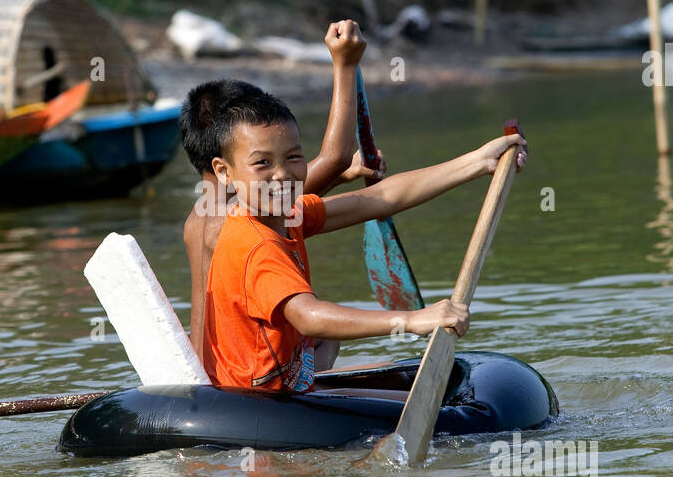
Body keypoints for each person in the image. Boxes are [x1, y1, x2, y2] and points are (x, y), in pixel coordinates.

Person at [201, 90, 526, 392]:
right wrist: (411, 320)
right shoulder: (257, 245)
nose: (283, 174)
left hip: (282, 377)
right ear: (224, 171)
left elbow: (379, 198)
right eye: (262, 163)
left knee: (332, 344)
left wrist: (478, 162)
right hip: (256, 403)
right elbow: (308, 315)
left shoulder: (289, 215)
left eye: (294, 157)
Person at [180, 20, 383, 370]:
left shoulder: (203, 213)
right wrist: (345, 64)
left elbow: (298, 192)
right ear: (226, 157)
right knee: (319, 326)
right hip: (236, 389)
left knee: (325, 335)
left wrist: (341, 175)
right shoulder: (236, 213)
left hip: (208, 369)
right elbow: (333, 157)